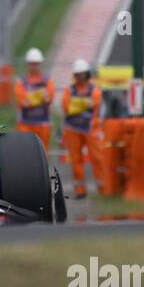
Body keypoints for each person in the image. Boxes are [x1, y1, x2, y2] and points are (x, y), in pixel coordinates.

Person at [61, 58, 103, 199]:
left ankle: (103, 188)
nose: (79, 76)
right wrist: (85, 104)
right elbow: (67, 107)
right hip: (72, 129)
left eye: (82, 73)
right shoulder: (69, 90)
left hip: (91, 129)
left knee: (98, 158)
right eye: (77, 73)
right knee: (76, 160)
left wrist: (76, 105)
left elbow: (95, 104)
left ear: (87, 73)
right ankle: (80, 190)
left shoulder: (95, 90)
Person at [14, 47, 55, 151]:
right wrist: (40, 97)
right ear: (28, 64)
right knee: (26, 153)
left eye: (36, 63)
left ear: (40, 64)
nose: (34, 66)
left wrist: (31, 98)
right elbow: (23, 102)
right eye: (32, 63)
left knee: (43, 153)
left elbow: (49, 98)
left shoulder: (47, 80)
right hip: (25, 124)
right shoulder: (21, 81)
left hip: (43, 123)